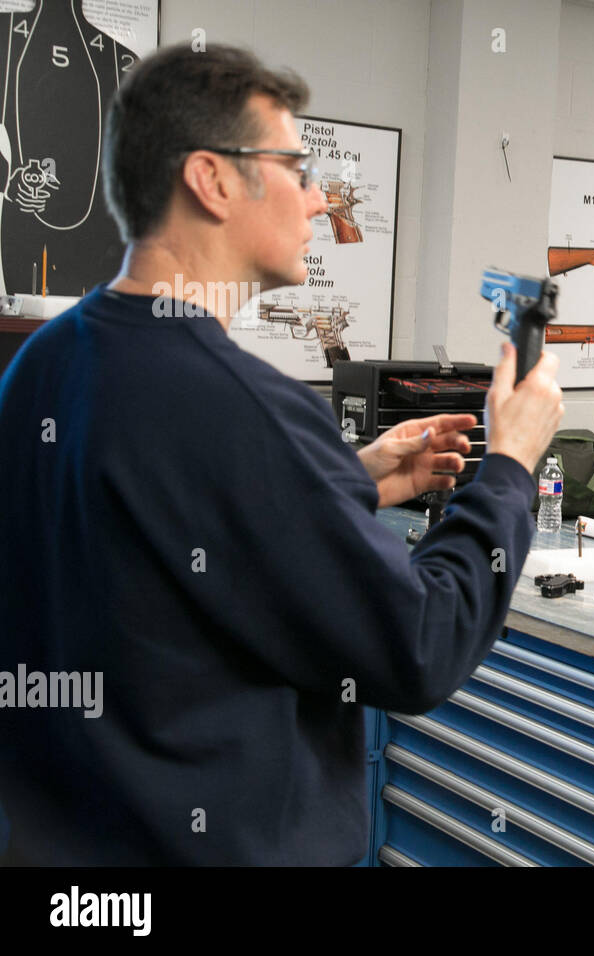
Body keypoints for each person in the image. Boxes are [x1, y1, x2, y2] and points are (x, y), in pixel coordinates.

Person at [0, 44, 563, 865]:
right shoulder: (240, 409)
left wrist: (348, 482)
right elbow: (422, 646)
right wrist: (509, 468)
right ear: (213, 179)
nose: (315, 199)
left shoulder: (43, 365)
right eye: (296, 168)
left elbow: (147, 544)